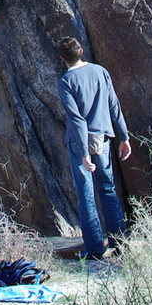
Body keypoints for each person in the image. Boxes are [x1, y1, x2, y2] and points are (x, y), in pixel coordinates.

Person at [57, 36, 131, 261]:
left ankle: (95, 247)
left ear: (63, 58)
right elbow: (113, 104)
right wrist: (124, 137)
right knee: (108, 189)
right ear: (80, 51)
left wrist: (83, 153)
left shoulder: (66, 81)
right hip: (103, 138)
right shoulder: (100, 72)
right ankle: (120, 240)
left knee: (86, 194)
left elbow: (77, 119)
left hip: (79, 143)